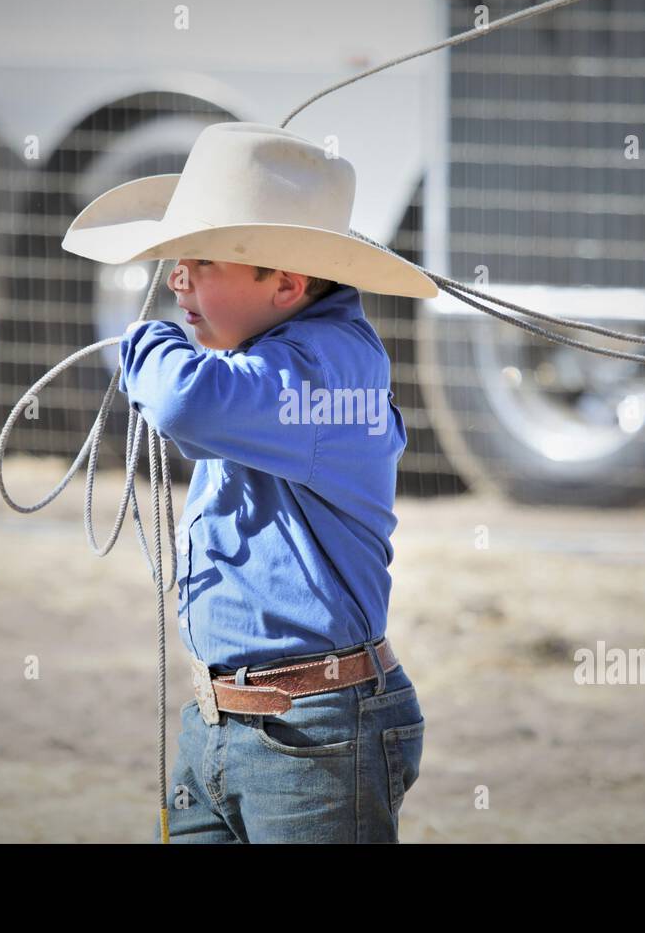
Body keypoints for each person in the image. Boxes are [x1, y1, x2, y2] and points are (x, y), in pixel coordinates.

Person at [63, 121, 436, 842]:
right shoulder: (266, 361)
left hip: (314, 736)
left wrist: (150, 339)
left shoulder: (329, 370)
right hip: (224, 721)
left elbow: (182, 401)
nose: (176, 281)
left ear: (288, 283)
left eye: (201, 262)